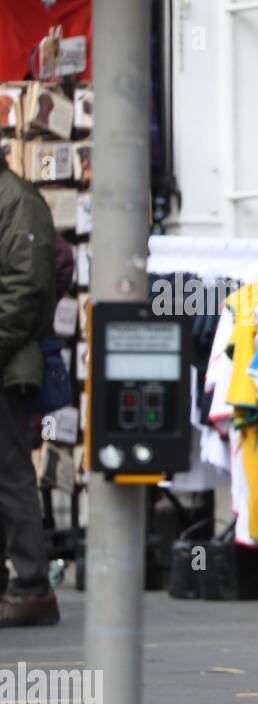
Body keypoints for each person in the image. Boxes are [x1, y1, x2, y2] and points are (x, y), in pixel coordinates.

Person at [0, 145, 59, 627]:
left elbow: (25, 289)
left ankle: (32, 586)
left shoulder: (17, 201)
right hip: (7, 355)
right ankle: (21, 583)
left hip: (8, 362)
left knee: (11, 474)